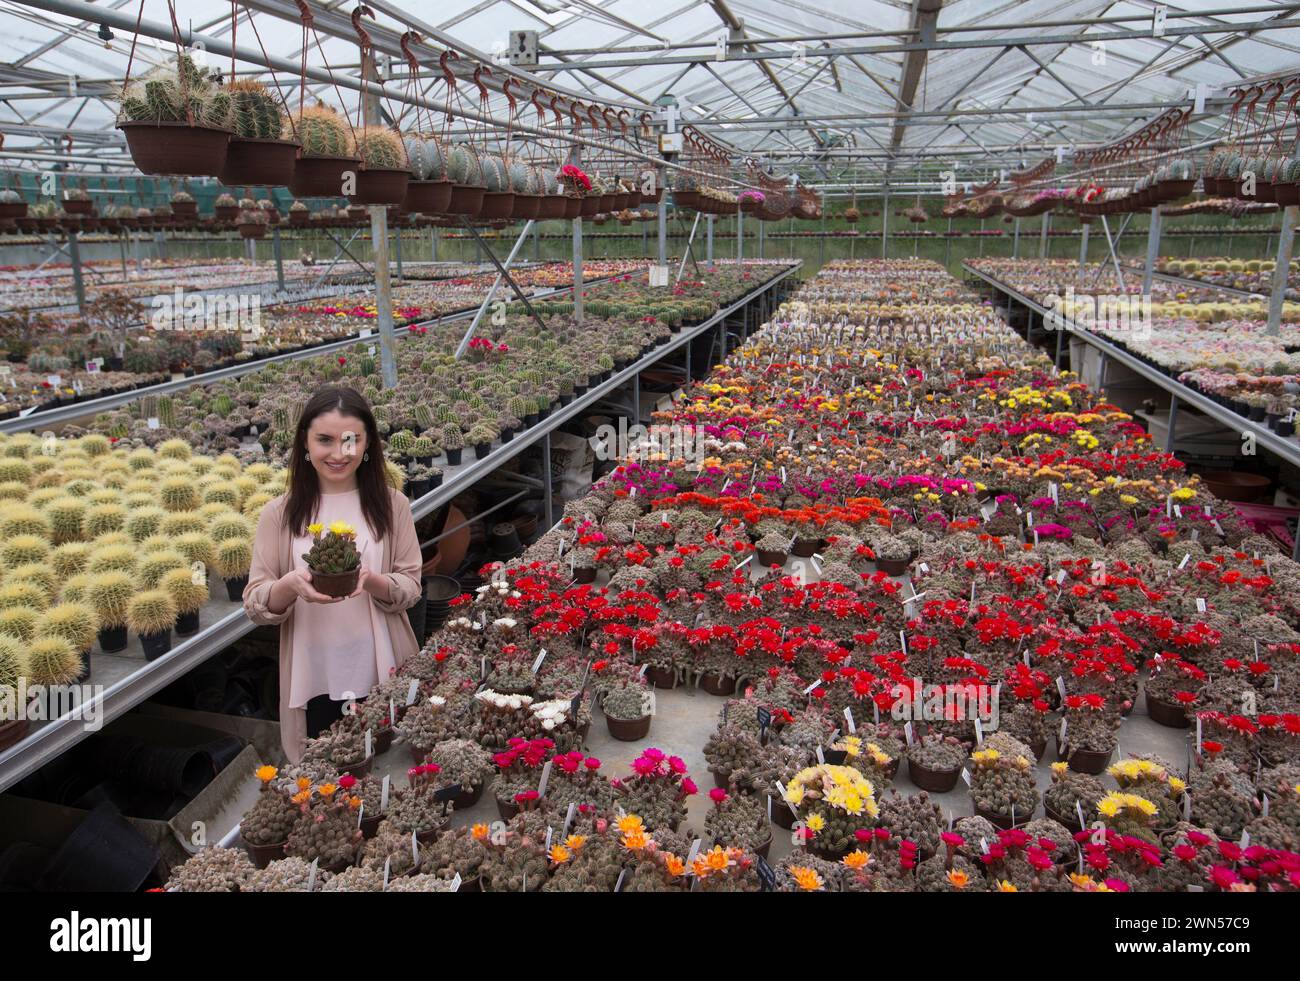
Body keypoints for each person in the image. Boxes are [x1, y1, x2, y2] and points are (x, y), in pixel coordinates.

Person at [244, 385, 422, 762]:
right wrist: (289, 585)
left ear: (367, 443)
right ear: (305, 444)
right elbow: (256, 602)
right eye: (324, 440)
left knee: (391, 772)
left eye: (350, 440)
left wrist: (372, 581)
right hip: (314, 678)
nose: (339, 453)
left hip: (381, 669)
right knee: (329, 780)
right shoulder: (280, 513)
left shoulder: (392, 505)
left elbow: (411, 587)